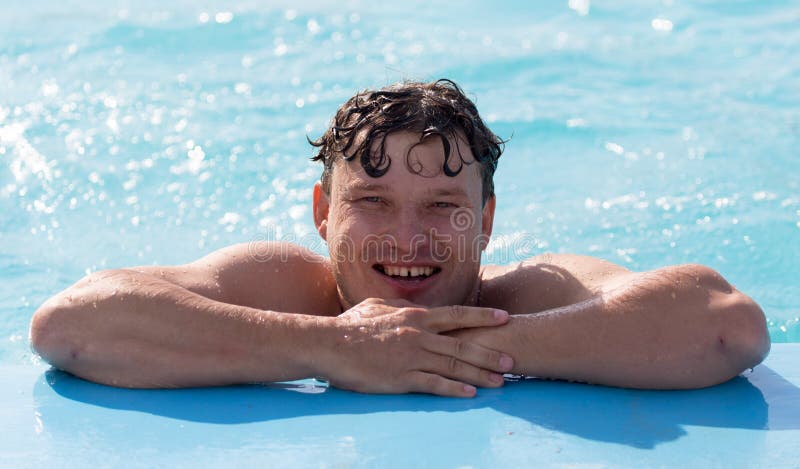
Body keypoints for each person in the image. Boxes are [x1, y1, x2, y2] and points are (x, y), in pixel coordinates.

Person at [29, 79, 770, 398]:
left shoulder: (528, 295)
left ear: (485, 220)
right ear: (323, 213)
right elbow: (70, 325)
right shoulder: (296, 289)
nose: (407, 237)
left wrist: (454, 347)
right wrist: (331, 346)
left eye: (444, 203)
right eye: (374, 202)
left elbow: (727, 326)